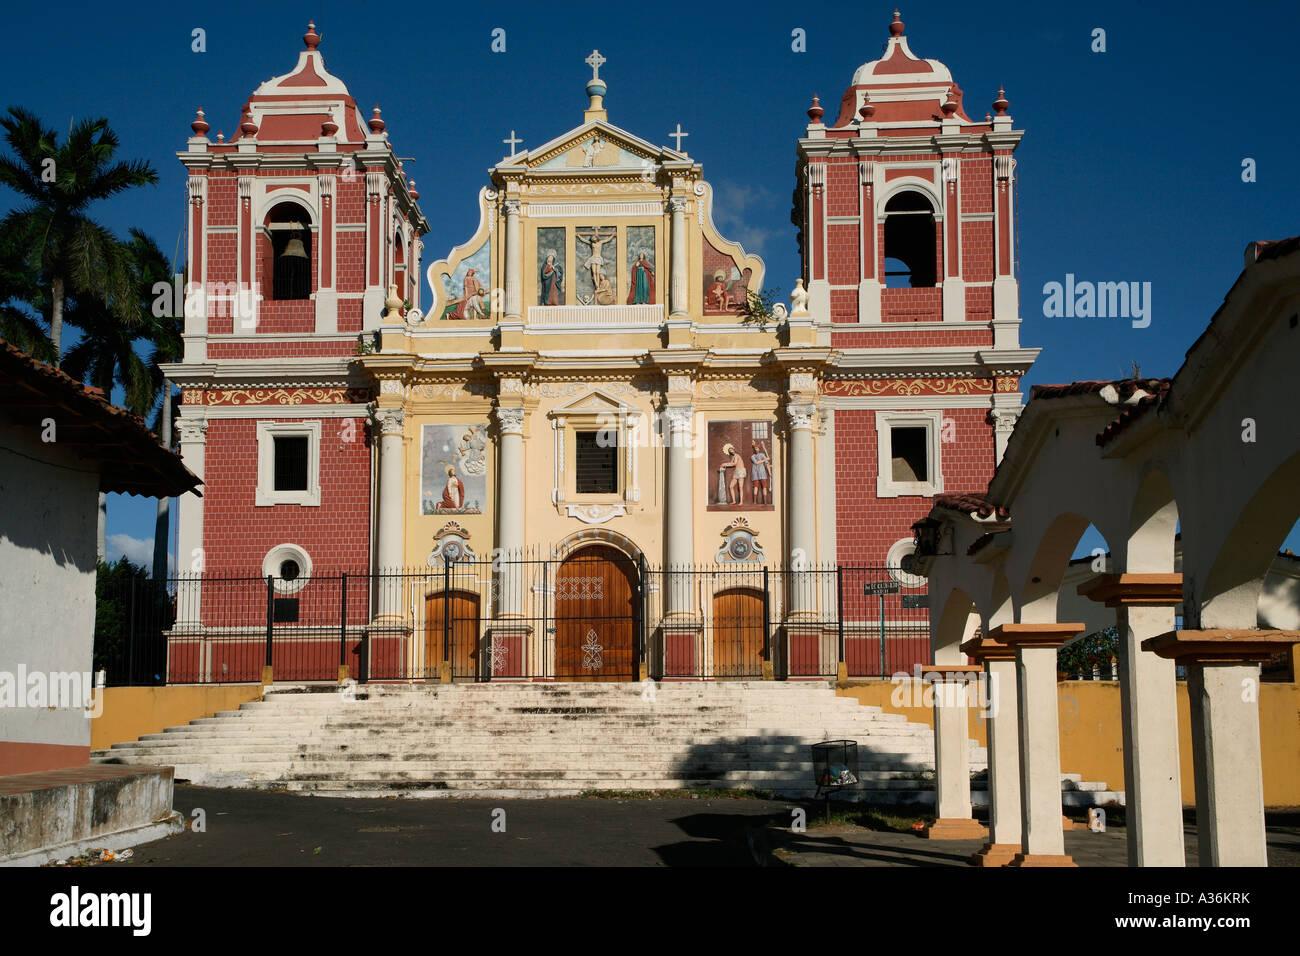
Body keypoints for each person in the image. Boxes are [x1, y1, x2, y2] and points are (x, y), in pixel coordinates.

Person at [750, 440, 770, 504]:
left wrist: (769, 472)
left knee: (764, 486)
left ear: (759, 449)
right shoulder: (752, 456)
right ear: (754, 449)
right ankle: (755, 501)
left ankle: (765, 501)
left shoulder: (762, 454)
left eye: (757, 448)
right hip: (755, 473)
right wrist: (765, 459)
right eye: (755, 448)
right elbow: (756, 462)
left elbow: (767, 464)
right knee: (755, 486)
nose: (756, 449)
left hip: (762, 472)